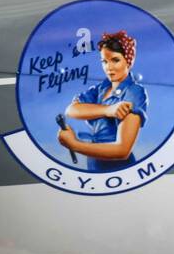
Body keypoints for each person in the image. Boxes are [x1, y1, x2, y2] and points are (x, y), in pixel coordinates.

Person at [58, 30, 148, 170]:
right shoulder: (101, 88)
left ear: (128, 61)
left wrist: (74, 145)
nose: (109, 67)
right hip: (94, 163)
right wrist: (109, 110)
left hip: (119, 168)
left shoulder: (134, 92)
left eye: (115, 60)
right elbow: (72, 110)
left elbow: (122, 151)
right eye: (104, 61)